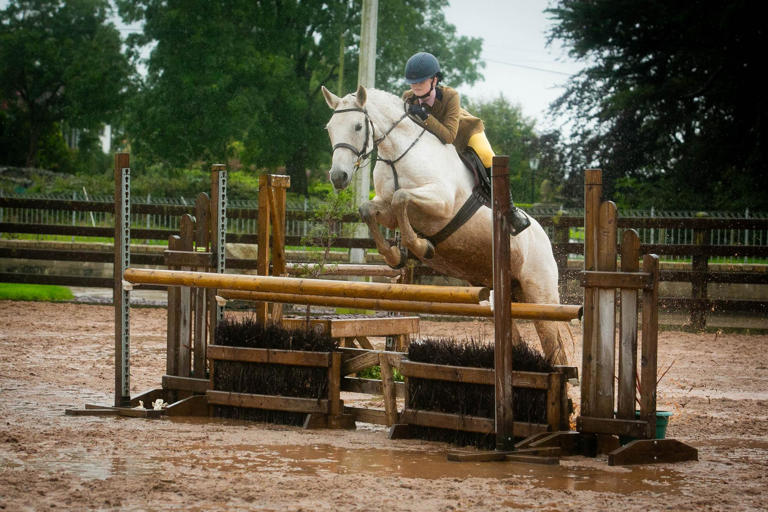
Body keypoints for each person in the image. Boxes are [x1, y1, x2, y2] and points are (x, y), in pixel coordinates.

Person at [402, 51, 530, 234]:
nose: (416, 86)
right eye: (413, 82)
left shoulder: (450, 95)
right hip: (434, 141)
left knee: (488, 157)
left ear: (435, 80)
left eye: (421, 81)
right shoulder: (408, 97)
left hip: (465, 133)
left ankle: (510, 211)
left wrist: (425, 116)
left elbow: (448, 136)